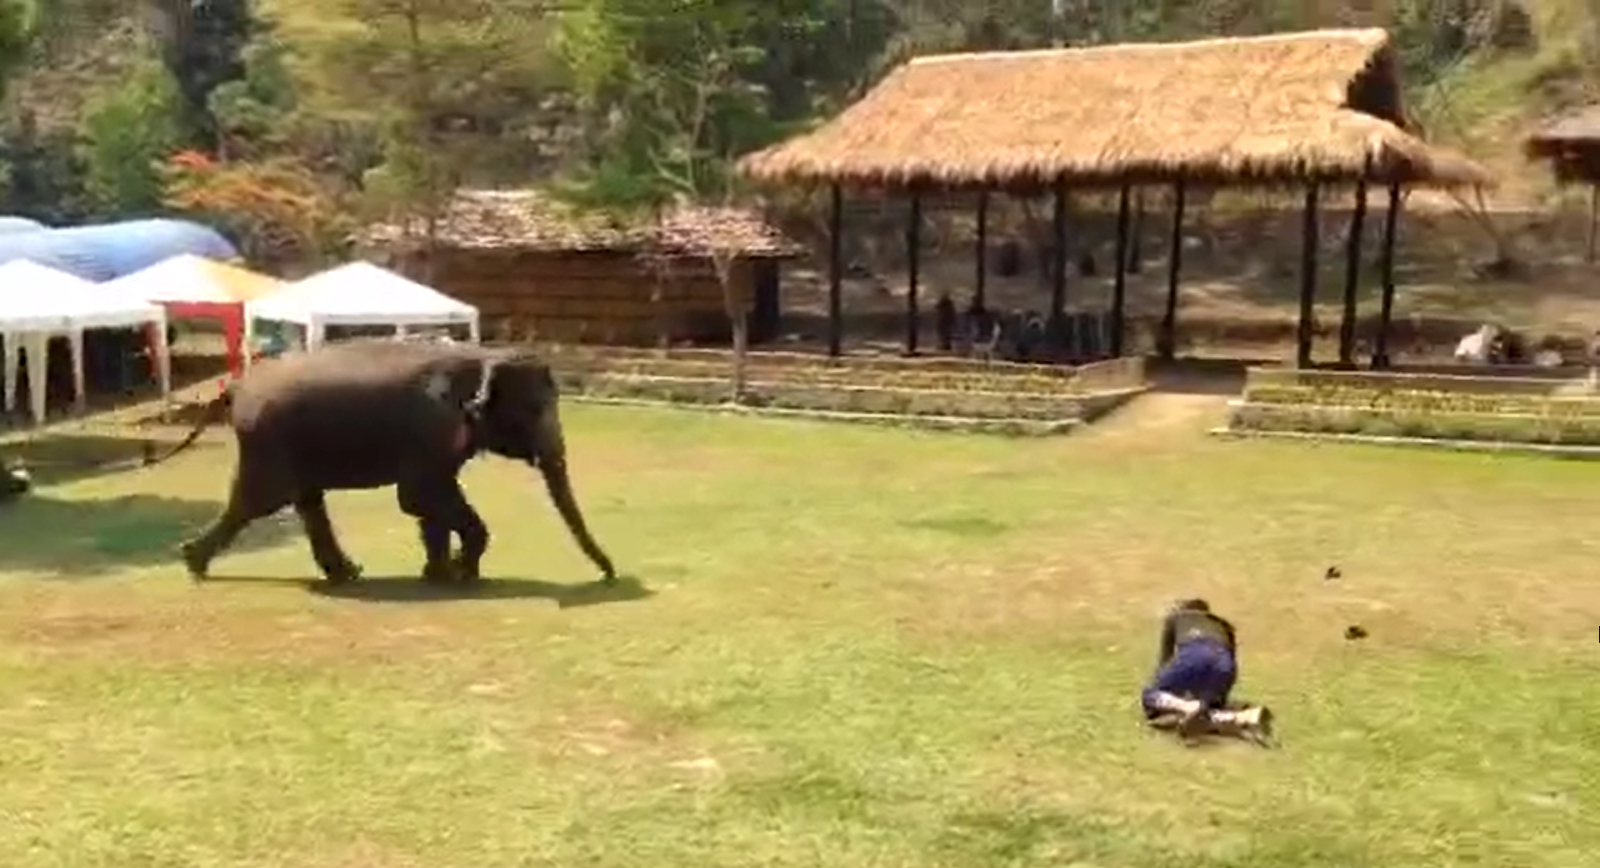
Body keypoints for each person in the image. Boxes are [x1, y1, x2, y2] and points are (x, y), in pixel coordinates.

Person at [1141, 598, 1273, 744]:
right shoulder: (1224, 625)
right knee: (1210, 704)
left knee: (1151, 695)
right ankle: (1245, 717)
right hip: (1225, 663)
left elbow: (1164, 661)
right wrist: (1218, 698)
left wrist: (1161, 700)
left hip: (1195, 652)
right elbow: (1230, 661)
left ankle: (1189, 708)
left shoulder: (1177, 617)